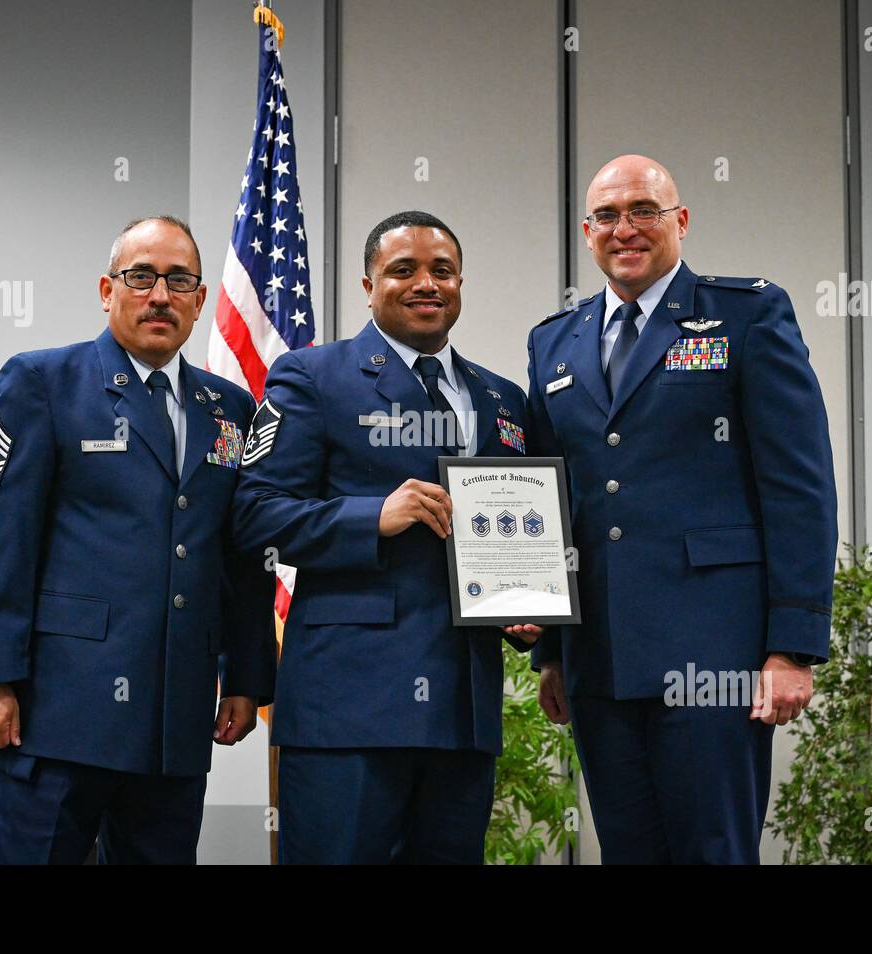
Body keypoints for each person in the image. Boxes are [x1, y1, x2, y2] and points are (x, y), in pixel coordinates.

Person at [526, 156, 838, 863]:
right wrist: (550, 649)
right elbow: (553, 498)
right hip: (600, 658)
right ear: (587, 231)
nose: (624, 228)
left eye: (644, 210)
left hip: (714, 653)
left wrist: (792, 646)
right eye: (607, 215)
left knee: (712, 851)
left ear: (682, 222)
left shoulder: (747, 313)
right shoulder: (553, 342)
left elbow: (801, 486)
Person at [0, 215, 275, 864]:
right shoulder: (43, 383)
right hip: (55, 717)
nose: (160, 294)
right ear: (108, 290)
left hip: (172, 724)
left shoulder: (232, 409)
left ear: (199, 300)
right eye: (141, 277)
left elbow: (242, 554)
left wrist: (246, 675)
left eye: (179, 280)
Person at [233, 211, 538, 864]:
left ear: (460, 284)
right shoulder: (314, 378)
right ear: (369, 284)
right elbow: (254, 515)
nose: (425, 283)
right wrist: (372, 516)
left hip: (463, 711)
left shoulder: (502, 398)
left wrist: (520, 608)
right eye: (403, 270)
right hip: (350, 710)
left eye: (442, 271)